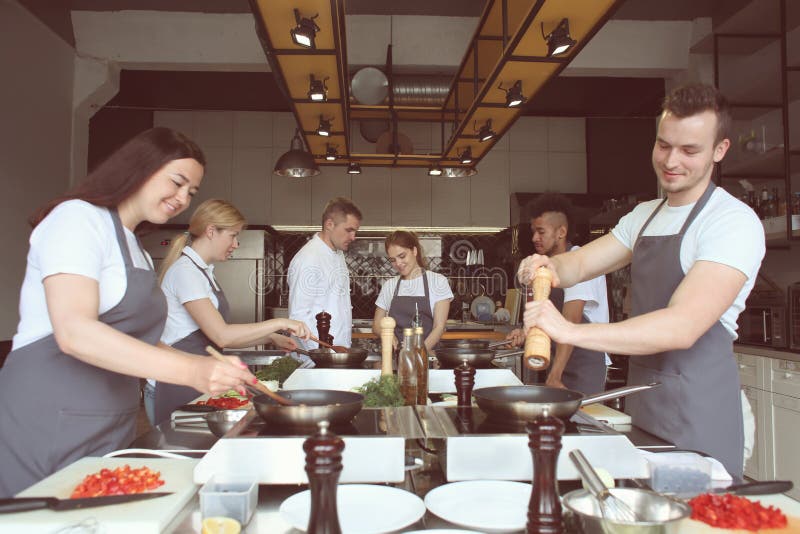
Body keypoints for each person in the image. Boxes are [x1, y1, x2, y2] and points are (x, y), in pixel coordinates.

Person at [518, 84, 765, 480]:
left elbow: (682, 326)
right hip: (645, 406)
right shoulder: (645, 216)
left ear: (720, 150)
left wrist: (568, 330)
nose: (671, 161)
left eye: (690, 150)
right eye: (664, 145)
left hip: (699, 416)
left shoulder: (730, 222)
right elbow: (578, 265)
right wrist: (542, 266)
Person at [0, 128, 256, 497]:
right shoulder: (77, 219)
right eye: (178, 182)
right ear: (140, 168)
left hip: (107, 421)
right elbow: (74, 331)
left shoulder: (134, 245)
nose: (183, 198)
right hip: (49, 416)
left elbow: (140, 342)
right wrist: (192, 369)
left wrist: (216, 369)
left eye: (191, 192)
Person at [147, 199, 311, 424]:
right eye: (233, 235)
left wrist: (271, 338)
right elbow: (221, 334)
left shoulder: (203, 272)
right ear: (211, 231)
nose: (236, 244)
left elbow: (213, 340)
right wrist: (280, 323)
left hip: (197, 378)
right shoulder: (186, 273)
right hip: (175, 382)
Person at [506, 193, 609, 395]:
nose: (535, 238)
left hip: (583, 364)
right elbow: (548, 317)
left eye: (541, 232)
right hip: (559, 361)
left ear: (561, 232)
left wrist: (555, 375)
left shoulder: (578, 260)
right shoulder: (547, 268)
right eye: (534, 231)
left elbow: (572, 319)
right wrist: (525, 331)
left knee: (580, 424)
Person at [287, 197, 362, 351]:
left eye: (355, 231)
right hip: (317, 359)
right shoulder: (308, 258)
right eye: (349, 230)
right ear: (329, 224)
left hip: (335, 356)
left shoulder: (337, 253)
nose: (353, 237)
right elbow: (298, 317)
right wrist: (326, 351)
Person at [372, 230, 453, 351]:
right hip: (397, 358)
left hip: (426, 359)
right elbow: (376, 325)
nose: (398, 263)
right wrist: (388, 336)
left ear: (414, 251)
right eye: (393, 260)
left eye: (402, 256)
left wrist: (419, 353)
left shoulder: (438, 282)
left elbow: (439, 327)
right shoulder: (389, 285)